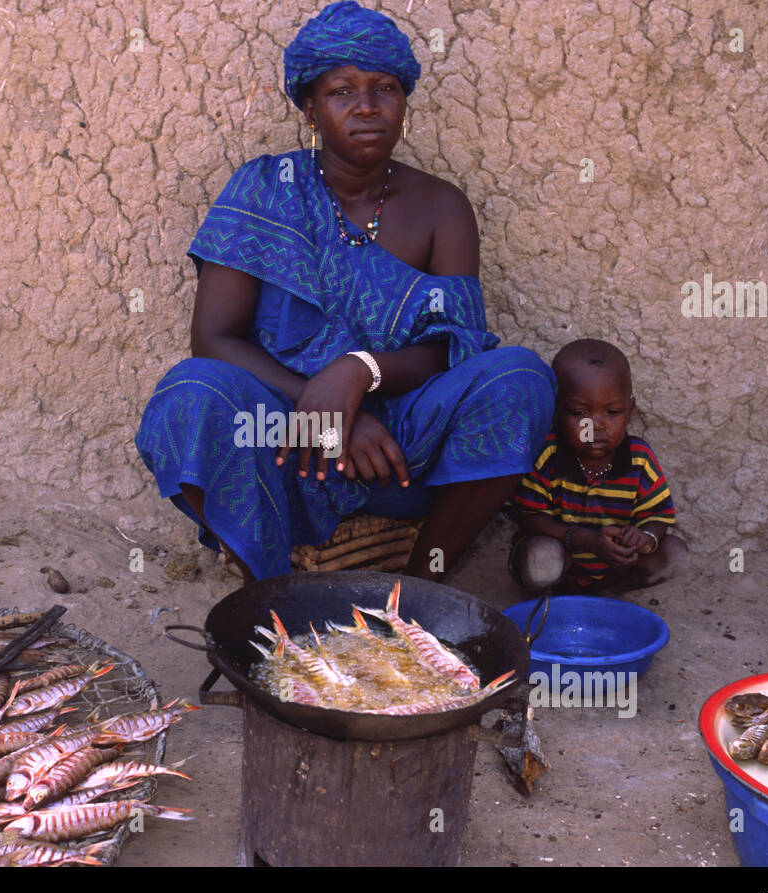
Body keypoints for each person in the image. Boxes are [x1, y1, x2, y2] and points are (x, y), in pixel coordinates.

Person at [135, 1, 555, 585]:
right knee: (190, 393)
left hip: (401, 450)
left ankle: (416, 590)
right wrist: (328, 410)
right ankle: (270, 590)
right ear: (310, 107)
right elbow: (213, 338)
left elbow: (449, 350)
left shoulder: (441, 207)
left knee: (520, 378)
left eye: (385, 87)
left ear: (404, 102)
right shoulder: (263, 189)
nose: (366, 106)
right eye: (341, 91)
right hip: (285, 438)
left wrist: (358, 373)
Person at [510, 339, 688, 593]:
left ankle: (601, 595)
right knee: (542, 555)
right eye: (578, 412)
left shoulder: (639, 459)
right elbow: (529, 520)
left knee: (674, 552)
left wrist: (645, 538)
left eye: (612, 412)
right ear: (556, 412)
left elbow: (657, 516)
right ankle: (550, 598)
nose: (595, 425)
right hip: (561, 562)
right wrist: (585, 539)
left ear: (630, 411)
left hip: (611, 569)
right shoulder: (547, 455)